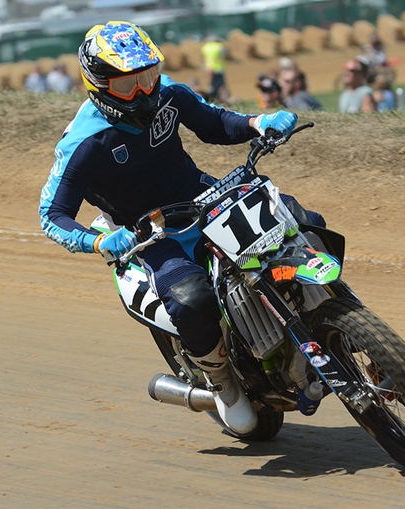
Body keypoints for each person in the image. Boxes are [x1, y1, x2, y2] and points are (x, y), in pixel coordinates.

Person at [38, 21, 323, 435]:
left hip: (205, 196)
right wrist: (99, 240)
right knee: (192, 299)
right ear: (97, 85)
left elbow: (213, 124)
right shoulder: (83, 143)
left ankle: (327, 317)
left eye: (147, 76)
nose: (143, 92)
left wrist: (257, 124)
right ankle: (223, 384)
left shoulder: (169, 93)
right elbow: (52, 215)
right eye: (127, 85)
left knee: (302, 221)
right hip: (149, 233)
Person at [201, 35, 227, 102]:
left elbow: (204, 57)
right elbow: (225, 54)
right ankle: (221, 99)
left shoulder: (205, 47)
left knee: (212, 84)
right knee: (221, 85)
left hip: (208, 68)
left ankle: (212, 98)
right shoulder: (220, 46)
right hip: (218, 68)